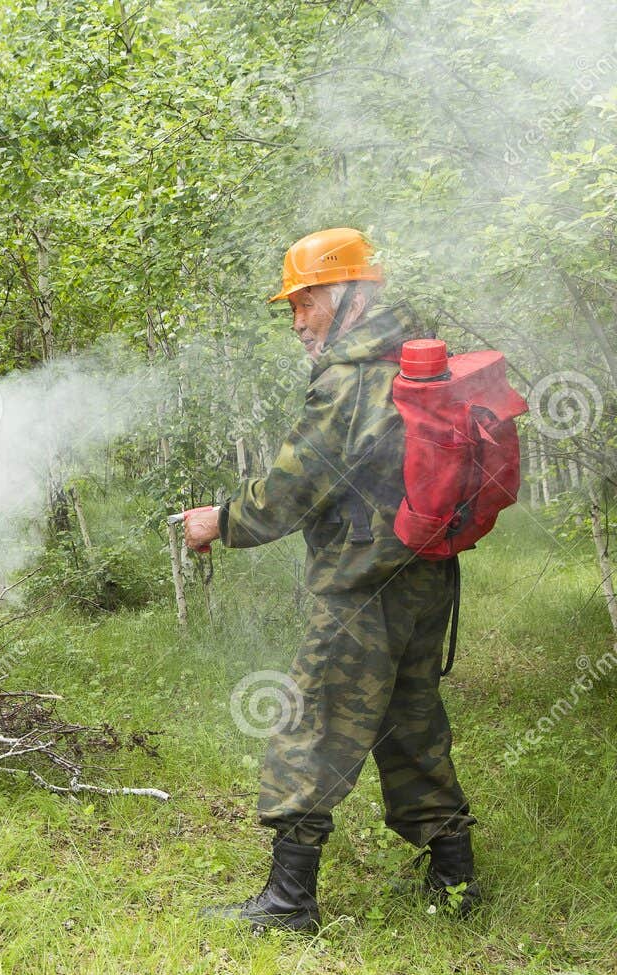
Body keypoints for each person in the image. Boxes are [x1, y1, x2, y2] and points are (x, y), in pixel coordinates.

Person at [181, 227, 478, 931]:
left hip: (360, 584)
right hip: (424, 577)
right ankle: (454, 879)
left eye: (302, 304)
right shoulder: (410, 358)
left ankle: (288, 902)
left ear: (342, 293)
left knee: (310, 724)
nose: (296, 322)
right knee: (411, 722)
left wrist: (221, 521)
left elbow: (292, 487)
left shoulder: (348, 377)